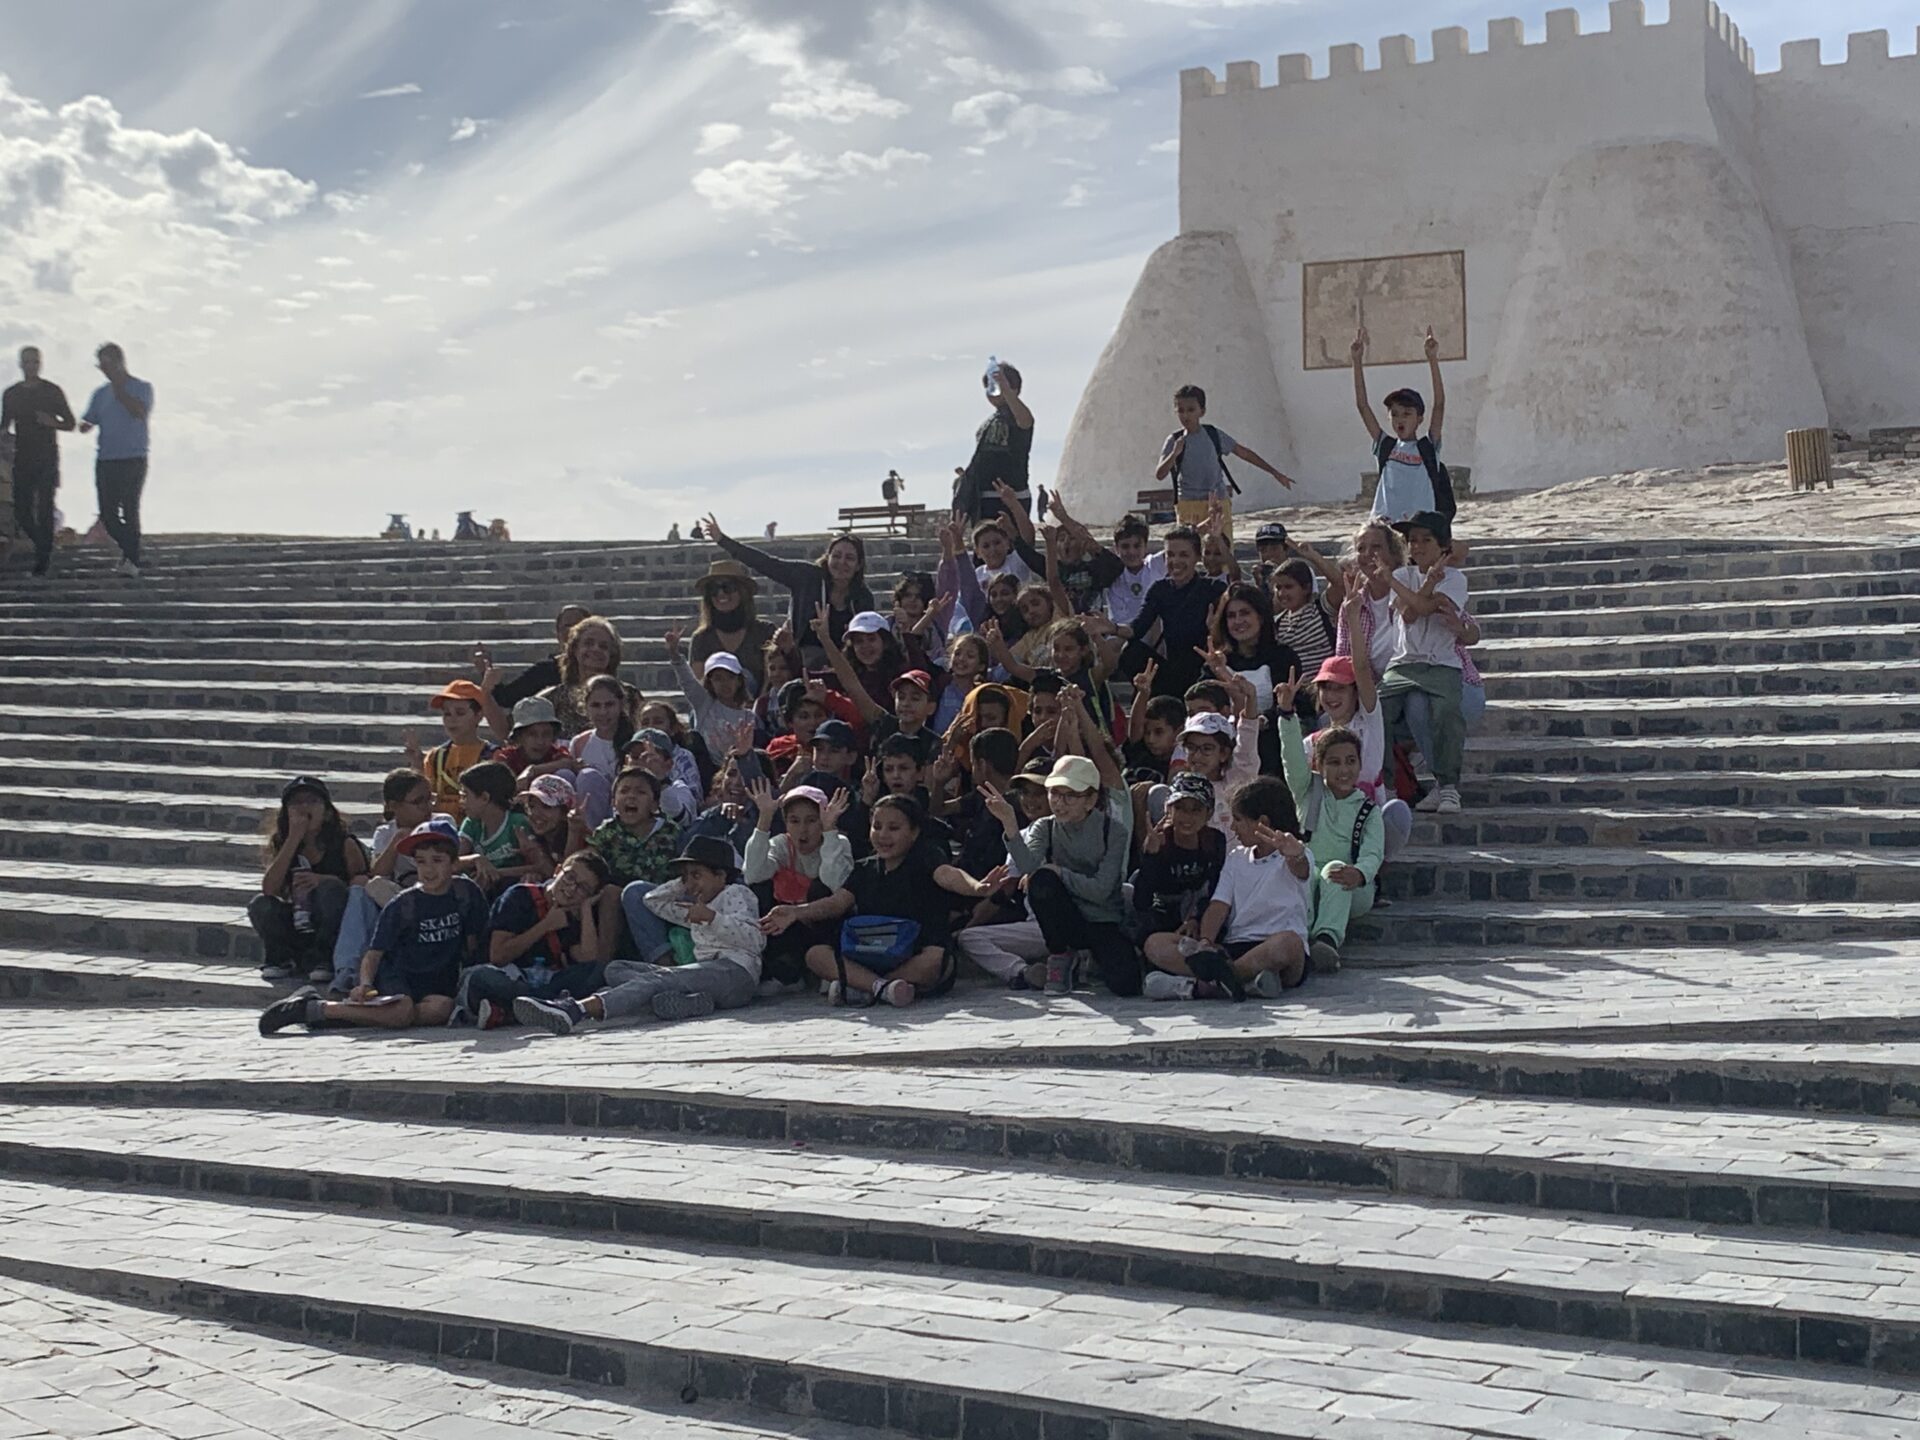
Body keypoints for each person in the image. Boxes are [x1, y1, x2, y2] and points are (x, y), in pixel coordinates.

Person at [960, 686, 1139, 996]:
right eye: (1055, 793)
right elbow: (1029, 867)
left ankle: (1094, 958)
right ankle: (1061, 955)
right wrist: (1010, 824)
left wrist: (1061, 873)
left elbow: (1101, 890)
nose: (1060, 802)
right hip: (1063, 921)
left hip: (1101, 919)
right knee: (1041, 878)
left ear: (1090, 799)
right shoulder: (1045, 826)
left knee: (1126, 985)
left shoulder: (1114, 830)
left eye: (1070, 795)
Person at [762, 795, 1004, 1008]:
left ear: (914, 832)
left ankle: (865, 988)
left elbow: (948, 875)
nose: (883, 835)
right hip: (869, 955)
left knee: (935, 960)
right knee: (816, 955)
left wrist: (977, 887)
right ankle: (883, 988)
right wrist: (796, 912)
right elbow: (837, 903)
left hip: (915, 954)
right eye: (877, 827)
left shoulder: (927, 857)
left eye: (894, 828)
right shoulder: (864, 868)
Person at [515, 835, 766, 1034]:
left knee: (656, 980)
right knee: (615, 969)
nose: (690, 884)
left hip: (736, 973)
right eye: (686, 877)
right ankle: (694, 1002)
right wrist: (683, 884)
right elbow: (652, 900)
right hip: (705, 974)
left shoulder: (736, 894)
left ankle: (577, 1010)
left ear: (721, 875)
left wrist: (713, 918)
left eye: (697, 875)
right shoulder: (695, 908)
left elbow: (756, 941)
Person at [258, 820, 488, 1035]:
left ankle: (357, 1017)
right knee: (402, 1011)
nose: (428, 870)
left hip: (436, 982)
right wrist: (365, 984)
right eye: (421, 861)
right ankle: (315, 1009)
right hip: (398, 976)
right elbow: (374, 954)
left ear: (455, 863)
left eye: (437, 861)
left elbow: (473, 941)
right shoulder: (404, 904)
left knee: (442, 1009)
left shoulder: (465, 894)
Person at [1143, 776, 1310, 1002]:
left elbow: (1301, 869)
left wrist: (1296, 855)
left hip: (1277, 950)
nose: (1232, 827)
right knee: (1155, 944)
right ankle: (1246, 982)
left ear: (1262, 822)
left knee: (1288, 943)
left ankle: (1201, 986)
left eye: (1238, 820)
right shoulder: (1235, 858)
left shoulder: (1296, 854)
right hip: (1234, 948)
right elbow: (1219, 905)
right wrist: (1206, 943)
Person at [1375, 510, 1470, 814]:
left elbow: (1427, 608)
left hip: (1442, 664)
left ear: (1443, 546)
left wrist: (1407, 585)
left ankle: (1448, 786)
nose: (1416, 547)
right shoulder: (1404, 575)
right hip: (1404, 664)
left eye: (1425, 540)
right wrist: (1426, 582)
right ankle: (1387, 784)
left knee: (1446, 715)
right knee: (1376, 713)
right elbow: (1410, 613)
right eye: (1412, 541)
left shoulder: (1456, 579)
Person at [328, 768, 448, 994]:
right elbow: (378, 873)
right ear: (394, 806)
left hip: (434, 897)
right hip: (398, 899)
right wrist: (397, 841)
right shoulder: (385, 833)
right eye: (417, 802)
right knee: (361, 889)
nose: (426, 807)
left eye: (428, 799)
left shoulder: (441, 822)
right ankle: (347, 972)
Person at [461, 850, 615, 1027]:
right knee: (483, 979)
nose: (571, 889)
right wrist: (546, 925)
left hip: (544, 980)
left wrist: (586, 908)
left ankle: (510, 1012)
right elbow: (498, 956)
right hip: (508, 976)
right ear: (557, 871)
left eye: (584, 888)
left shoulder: (574, 913)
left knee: (597, 971)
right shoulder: (519, 896)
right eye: (570, 877)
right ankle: (542, 1005)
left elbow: (588, 960)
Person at [1280, 721, 1385, 976]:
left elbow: (1373, 853)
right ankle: (1296, 944)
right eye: (1334, 763)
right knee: (1295, 871)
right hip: (1309, 878)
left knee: (1334, 871)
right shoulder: (1308, 791)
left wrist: (1360, 873)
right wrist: (1286, 715)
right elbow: (1291, 757)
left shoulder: (1368, 811)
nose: (1344, 770)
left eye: (1351, 761)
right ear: (1318, 765)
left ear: (1360, 764)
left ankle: (1326, 941)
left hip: (1351, 886)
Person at [702, 515, 875, 670]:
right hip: (799, 657)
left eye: (849, 558)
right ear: (827, 557)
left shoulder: (863, 597)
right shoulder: (807, 577)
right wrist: (722, 540)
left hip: (844, 664)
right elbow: (767, 563)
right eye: (836, 556)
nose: (841, 562)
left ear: (859, 565)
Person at [249, 776, 368, 984]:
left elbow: (362, 882)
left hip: (331, 923)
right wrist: (293, 839)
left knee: (329, 890)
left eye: (312, 801)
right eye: (296, 803)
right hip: (298, 918)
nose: (304, 808)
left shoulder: (344, 843)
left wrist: (323, 880)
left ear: (327, 811)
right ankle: (281, 958)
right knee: (260, 904)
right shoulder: (284, 844)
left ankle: (324, 959)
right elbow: (269, 889)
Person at [1086, 526, 1223, 701]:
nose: (1176, 561)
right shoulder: (1160, 589)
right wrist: (1112, 628)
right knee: (1131, 652)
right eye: (1170, 555)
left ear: (1197, 557)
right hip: (1173, 670)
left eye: (1184, 555)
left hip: (1207, 667)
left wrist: (1214, 628)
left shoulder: (1212, 589)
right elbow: (1137, 628)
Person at [745, 781, 853, 989]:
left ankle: (826, 967)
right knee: (759, 891)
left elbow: (837, 883)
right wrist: (764, 819)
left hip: (827, 923)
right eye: (794, 821)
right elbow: (753, 874)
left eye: (811, 821)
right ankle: (787, 970)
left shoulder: (838, 842)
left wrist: (830, 832)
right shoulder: (781, 845)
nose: (803, 830)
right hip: (791, 925)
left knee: (819, 888)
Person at [1155, 384, 1293, 532]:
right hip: (1188, 503)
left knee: (1222, 549)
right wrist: (1174, 453)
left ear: (1202, 411)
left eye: (1191, 410)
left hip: (1218, 501)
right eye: (1181, 411)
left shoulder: (1213, 435)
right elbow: (1160, 474)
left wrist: (1274, 472)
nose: (1185, 416)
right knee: (1189, 550)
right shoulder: (1174, 440)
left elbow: (1243, 452)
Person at [1353, 325, 1449, 523]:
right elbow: (1363, 406)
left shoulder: (1428, 447)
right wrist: (1356, 362)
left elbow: (1439, 405)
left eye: (1407, 413)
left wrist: (1432, 359)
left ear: (1419, 418)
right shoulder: (1385, 445)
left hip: (1419, 527)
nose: (1400, 419)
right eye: (1395, 414)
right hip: (1385, 526)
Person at [75, 343, 154, 576]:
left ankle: (132, 560)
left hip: (133, 457)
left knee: (130, 509)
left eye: (108, 364)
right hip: (107, 458)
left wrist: (120, 392)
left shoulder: (142, 387)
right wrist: (85, 425)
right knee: (108, 514)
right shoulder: (100, 394)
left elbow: (139, 412)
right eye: (101, 365)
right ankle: (130, 549)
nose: (105, 370)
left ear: (120, 362)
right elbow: (89, 419)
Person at [0, 346, 75, 579]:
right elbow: (5, 424)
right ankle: (45, 544)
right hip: (23, 457)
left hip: (47, 457)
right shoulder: (12, 394)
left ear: (40, 364)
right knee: (22, 511)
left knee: (44, 509)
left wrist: (52, 422)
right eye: (27, 362)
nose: (31, 366)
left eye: (35, 362)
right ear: (21, 364)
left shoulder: (52, 391)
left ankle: (42, 561)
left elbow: (70, 422)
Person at [1130, 773, 1226, 942]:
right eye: (1180, 808)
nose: (1187, 817)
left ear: (1209, 813)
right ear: (1168, 809)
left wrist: (1196, 919)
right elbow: (1142, 901)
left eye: (1196, 809)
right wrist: (1151, 855)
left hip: (1199, 913)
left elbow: (1217, 888)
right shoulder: (1159, 841)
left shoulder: (1214, 841)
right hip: (1162, 914)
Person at [951, 361, 1034, 527]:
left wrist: (1007, 391)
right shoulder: (989, 421)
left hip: (1011, 494)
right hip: (983, 494)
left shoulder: (1016, 416)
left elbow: (1026, 421)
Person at [475, 605, 593, 711]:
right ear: (557, 633)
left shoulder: (603, 667)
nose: (572, 631)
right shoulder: (545, 671)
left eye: (578, 626)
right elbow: (507, 698)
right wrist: (486, 672)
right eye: (566, 627)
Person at [667, 623, 755, 758]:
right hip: (706, 767)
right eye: (718, 678)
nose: (725, 683)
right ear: (710, 682)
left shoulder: (749, 717)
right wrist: (674, 653)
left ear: (739, 681)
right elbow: (687, 681)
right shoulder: (704, 704)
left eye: (730, 677)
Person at [689, 560, 772, 694]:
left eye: (728, 587)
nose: (721, 594)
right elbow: (699, 686)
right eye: (713, 589)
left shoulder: (764, 632)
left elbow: (772, 678)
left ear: (742, 592)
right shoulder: (702, 638)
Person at [455, 760, 536, 894]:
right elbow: (453, 862)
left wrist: (496, 873)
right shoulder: (471, 824)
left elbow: (541, 868)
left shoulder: (518, 823)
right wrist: (475, 859)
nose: (461, 802)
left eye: (465, 796)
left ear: (485, 798)